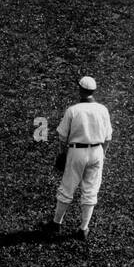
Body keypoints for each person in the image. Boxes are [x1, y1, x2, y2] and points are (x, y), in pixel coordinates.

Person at [44, 75, 113, 243]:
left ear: (80, 90)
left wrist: (63, 154)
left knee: (67, 187)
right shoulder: (103, 109)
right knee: (90, 190)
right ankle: (83, 228)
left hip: (76, 152)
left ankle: (56, 223)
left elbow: (62, 136)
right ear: (94, 91)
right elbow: (108, 137)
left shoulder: (73, 110)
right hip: (97, 151)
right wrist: (102, 154)